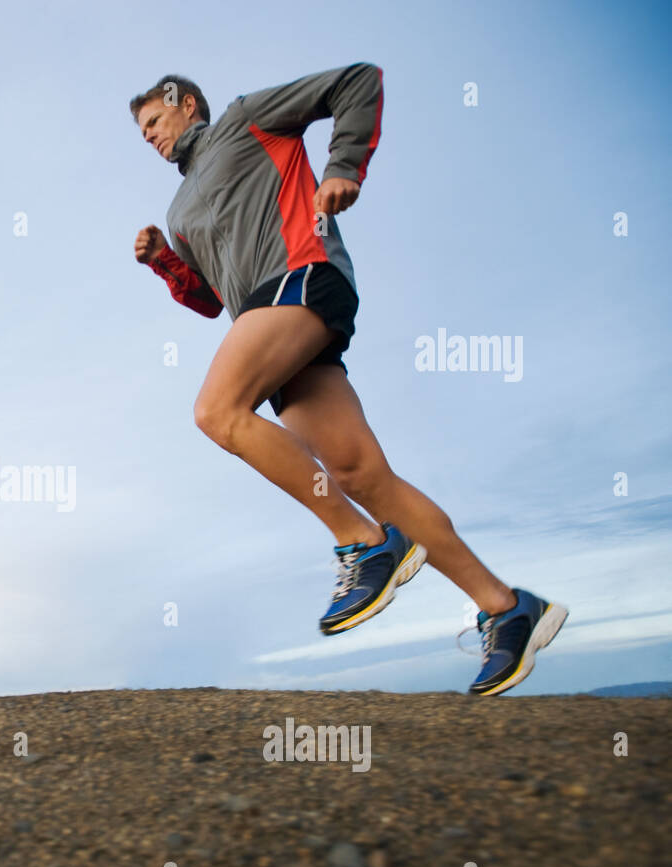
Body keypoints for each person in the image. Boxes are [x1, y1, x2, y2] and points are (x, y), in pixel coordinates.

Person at [129, 64, 567, 695]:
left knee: (216, 410)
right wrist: (164, 262)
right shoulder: (178, 209)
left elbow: (356, 82)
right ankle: (507, 609)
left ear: (185, 103)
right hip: (265, 322)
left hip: (302, 277)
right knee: (363, 475)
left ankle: (362, 542)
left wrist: (343, 166)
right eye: (141, 133)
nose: (149, 136)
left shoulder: (245, 117)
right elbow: (209, 297)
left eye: (153, 122)